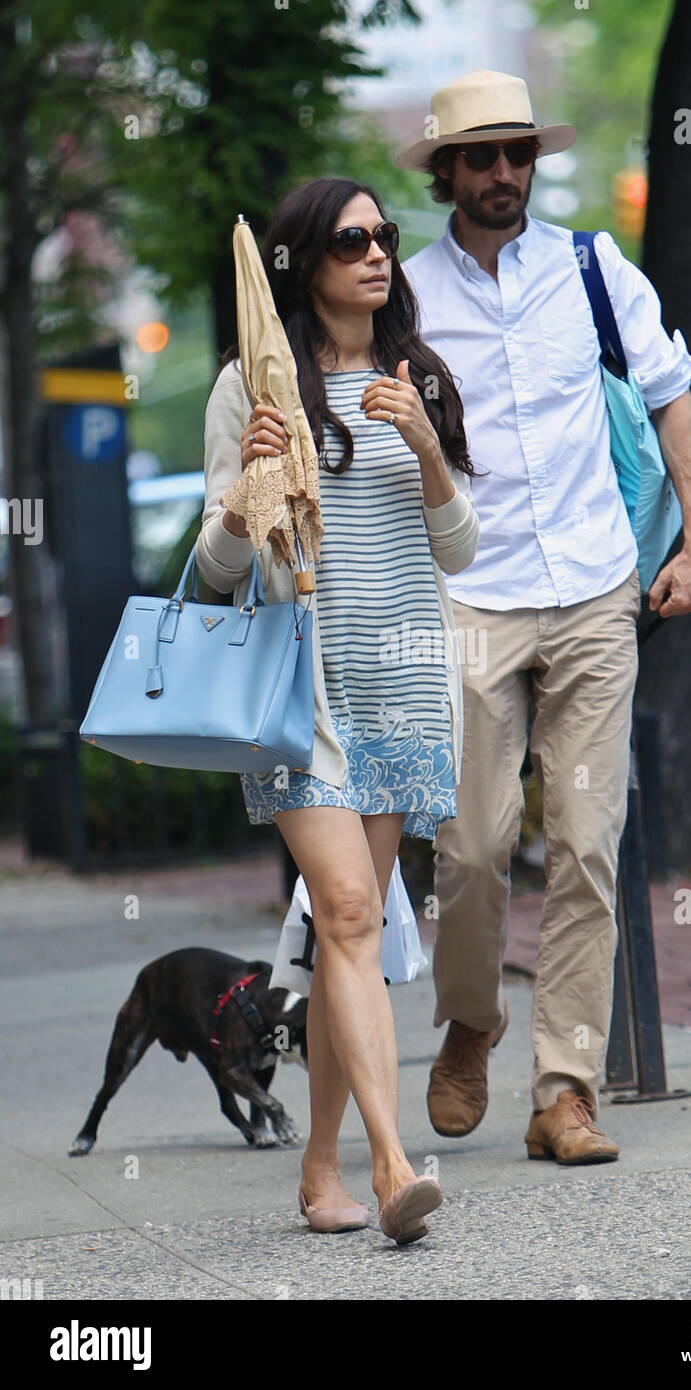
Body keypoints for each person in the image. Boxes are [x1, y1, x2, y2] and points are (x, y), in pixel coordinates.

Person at [399, 69, 691, 1162]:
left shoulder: (591, 268)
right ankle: (473, 1018)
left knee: (585, 845)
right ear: (445, 170)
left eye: (518, 154)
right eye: (481, 156)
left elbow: (671, 388)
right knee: (473, 847)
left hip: (591, 590)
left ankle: (563, 1092)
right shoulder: (405, 294)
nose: (502, 174)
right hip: (471, 599)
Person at [195, 177, 479, 1243]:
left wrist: (424, 448)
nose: (375, 254)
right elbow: (216, 569)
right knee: (350, 913)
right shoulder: (248, 387)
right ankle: (394, 1161)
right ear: (304, 260)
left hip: (401, 679)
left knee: (342, 935)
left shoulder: (421, 380)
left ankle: (319, 1169)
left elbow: (463, 549)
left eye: (384, 237)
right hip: (299, 692)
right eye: (350, 238)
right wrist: (245, 487)